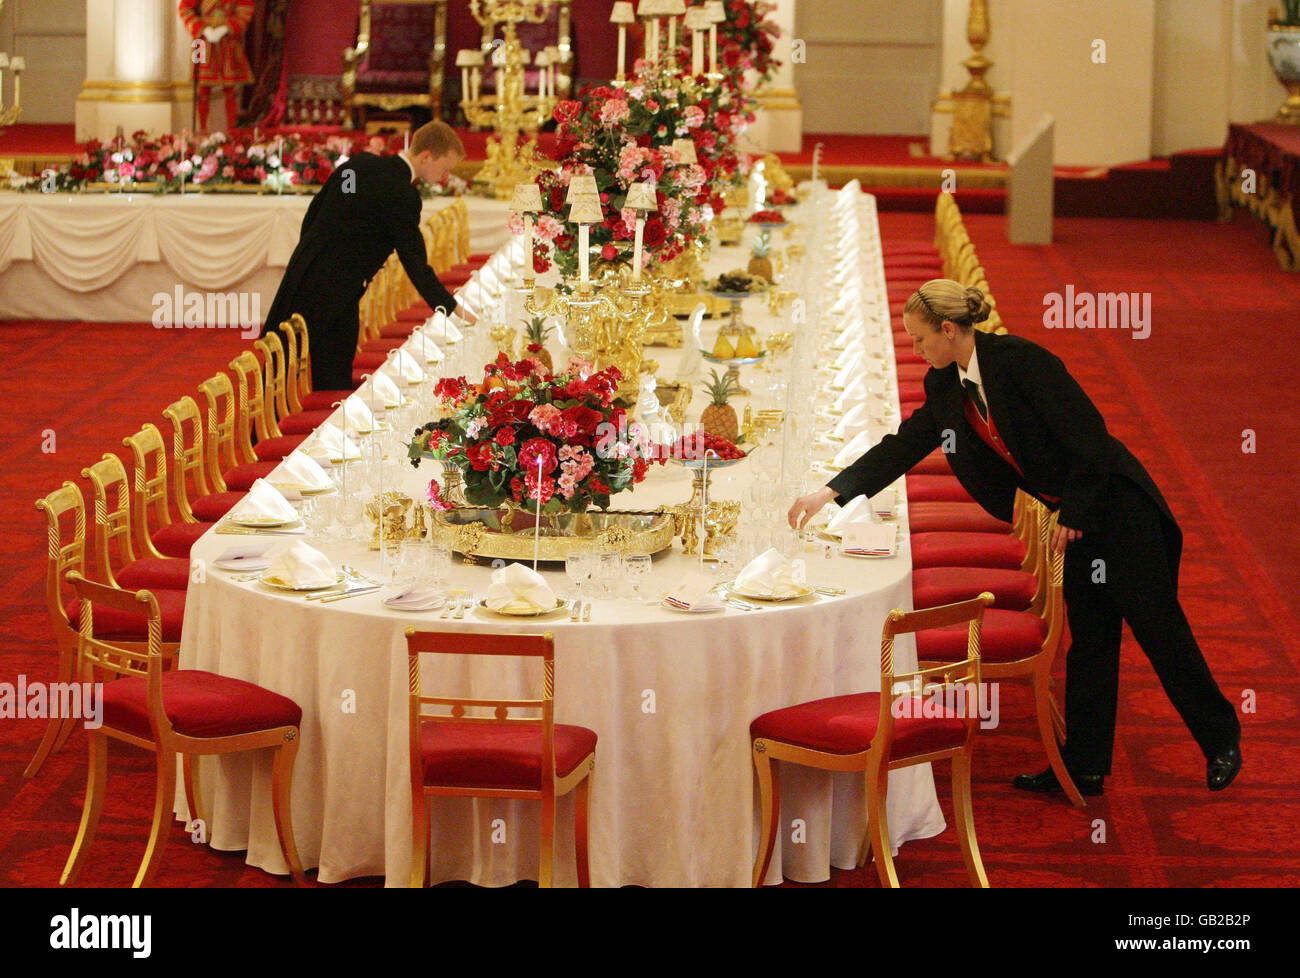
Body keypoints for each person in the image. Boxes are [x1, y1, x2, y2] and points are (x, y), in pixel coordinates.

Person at [788, 279, 1242, 795]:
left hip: (1117, 506)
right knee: (1091, 643)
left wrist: (1076, 509)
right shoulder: (946, 384)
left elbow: (1091, 437)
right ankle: (1085, 766)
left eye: (920, 340)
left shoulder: (1022, 363)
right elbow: (904, 445)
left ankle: (1221, 735)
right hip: (1072, 517)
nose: (915, 350)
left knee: (1159, 630)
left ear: (950, 329)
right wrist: (831, 492)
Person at [262, 121, 476, 391]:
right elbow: (414, 263)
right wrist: (451, 308)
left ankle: (267, 428)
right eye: (445, 168)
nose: (445, 176)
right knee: (322, 370)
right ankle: (274, 429)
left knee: (283, 360)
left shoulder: (359, 165)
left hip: (307, 270)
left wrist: (312, 255)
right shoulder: (403, 194)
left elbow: (315, 211)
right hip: (337, 290)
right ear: (426, 156)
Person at [177, 0, 254, 131]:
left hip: (228, 39)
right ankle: (202, 129)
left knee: (230, 88)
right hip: (201, 41)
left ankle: (231, 129)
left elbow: (245, 9)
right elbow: (184, 9)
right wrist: (202, 29)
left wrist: (226, 28)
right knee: (202, 88)